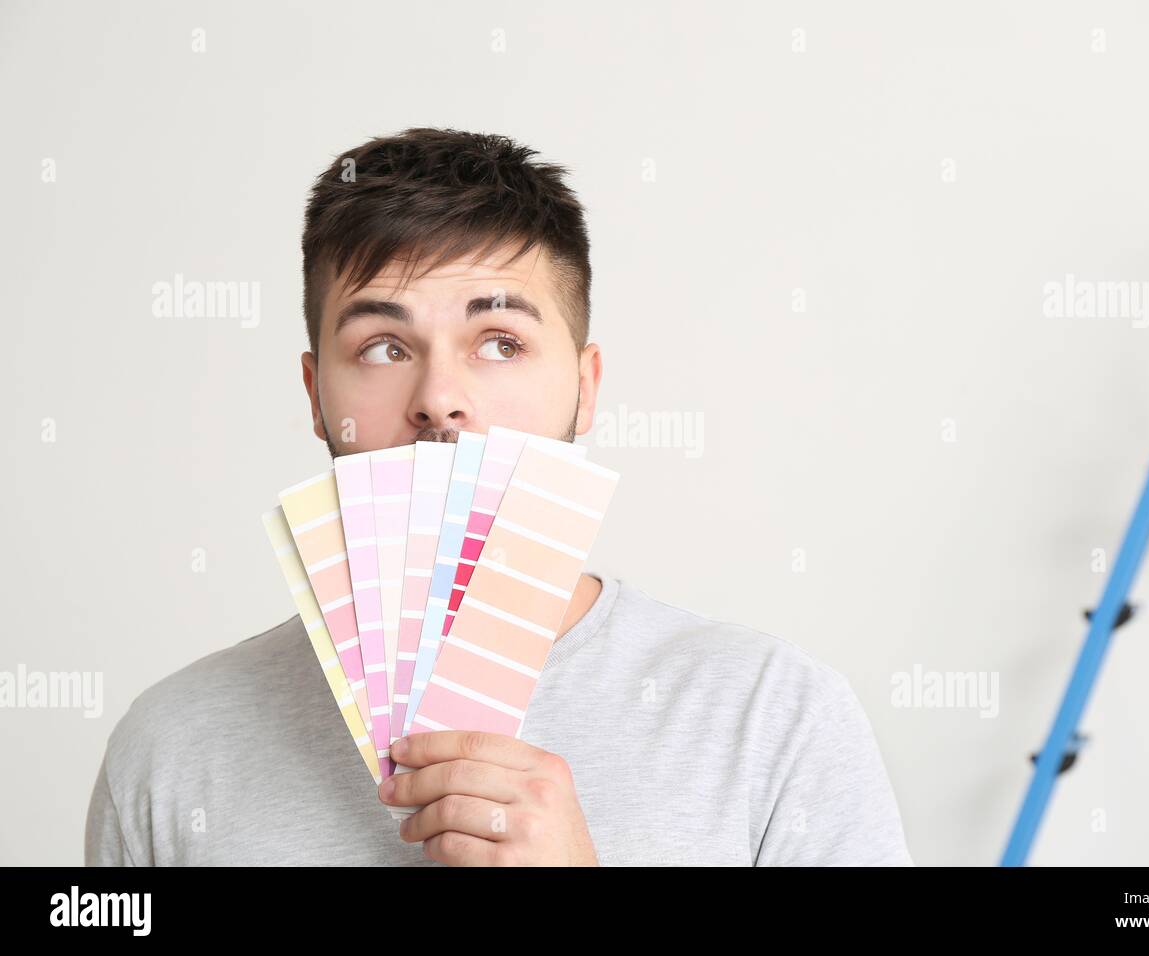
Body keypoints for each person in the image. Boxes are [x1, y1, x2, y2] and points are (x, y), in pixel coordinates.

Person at [84, 128, 913, 866]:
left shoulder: (774, 719)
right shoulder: (171, 747)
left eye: (500, 342)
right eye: (381, 346)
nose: (440, 397)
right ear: (314, 395)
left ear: (585, 389)